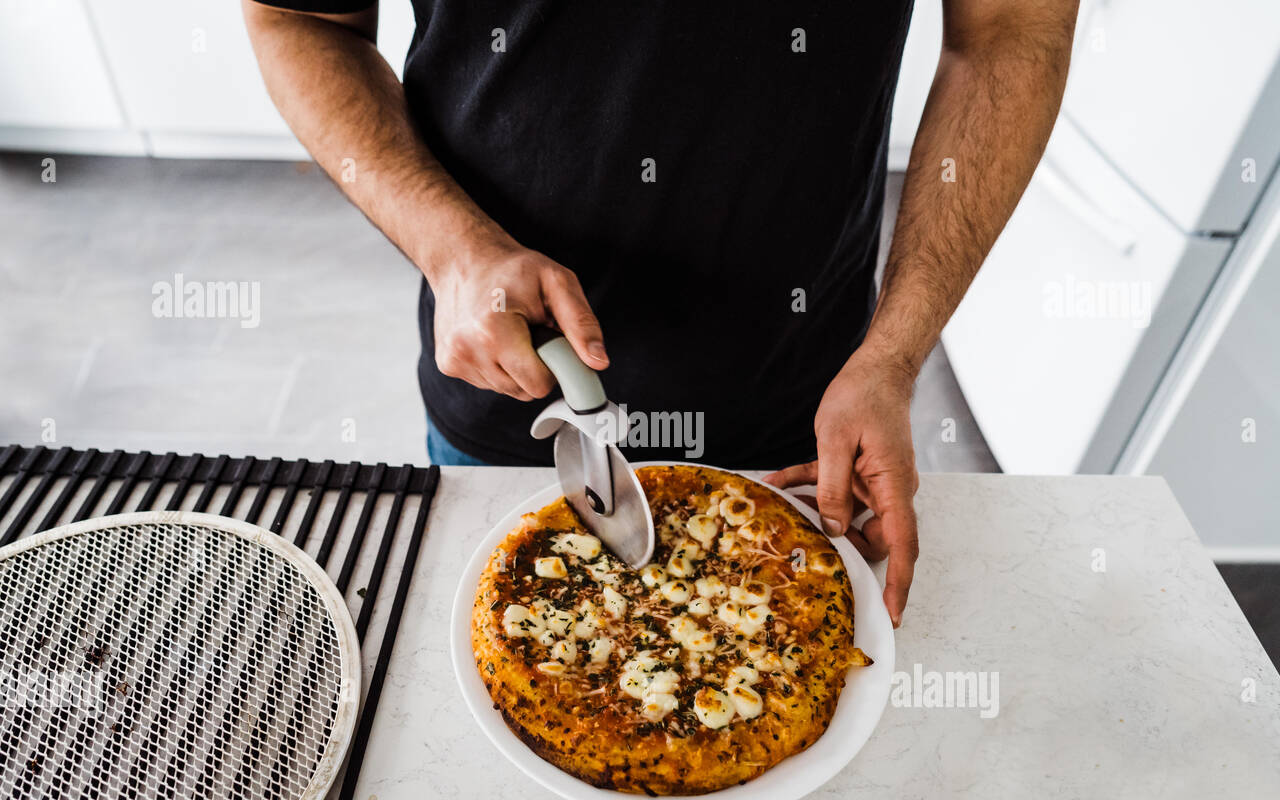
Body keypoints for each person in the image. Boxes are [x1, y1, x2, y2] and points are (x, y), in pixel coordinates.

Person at [244, 0, 1078, 627]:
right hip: (509, 388)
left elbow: (1010, 30)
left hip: (809, 411)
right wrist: (450, 247)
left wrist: (893, 354)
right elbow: (299, 19)